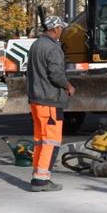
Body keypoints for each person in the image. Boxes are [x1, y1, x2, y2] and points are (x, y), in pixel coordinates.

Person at [26, 15, 75, 192]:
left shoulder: (36, 45)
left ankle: (37, 176)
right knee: (50, 141)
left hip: (36, 101)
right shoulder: (52, 48)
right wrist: (68, 86)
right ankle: (41, 180)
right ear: (55, 28)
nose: (62, 31)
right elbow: (55, 74)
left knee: (40, 140)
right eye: (61, 28)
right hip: (50, 102)